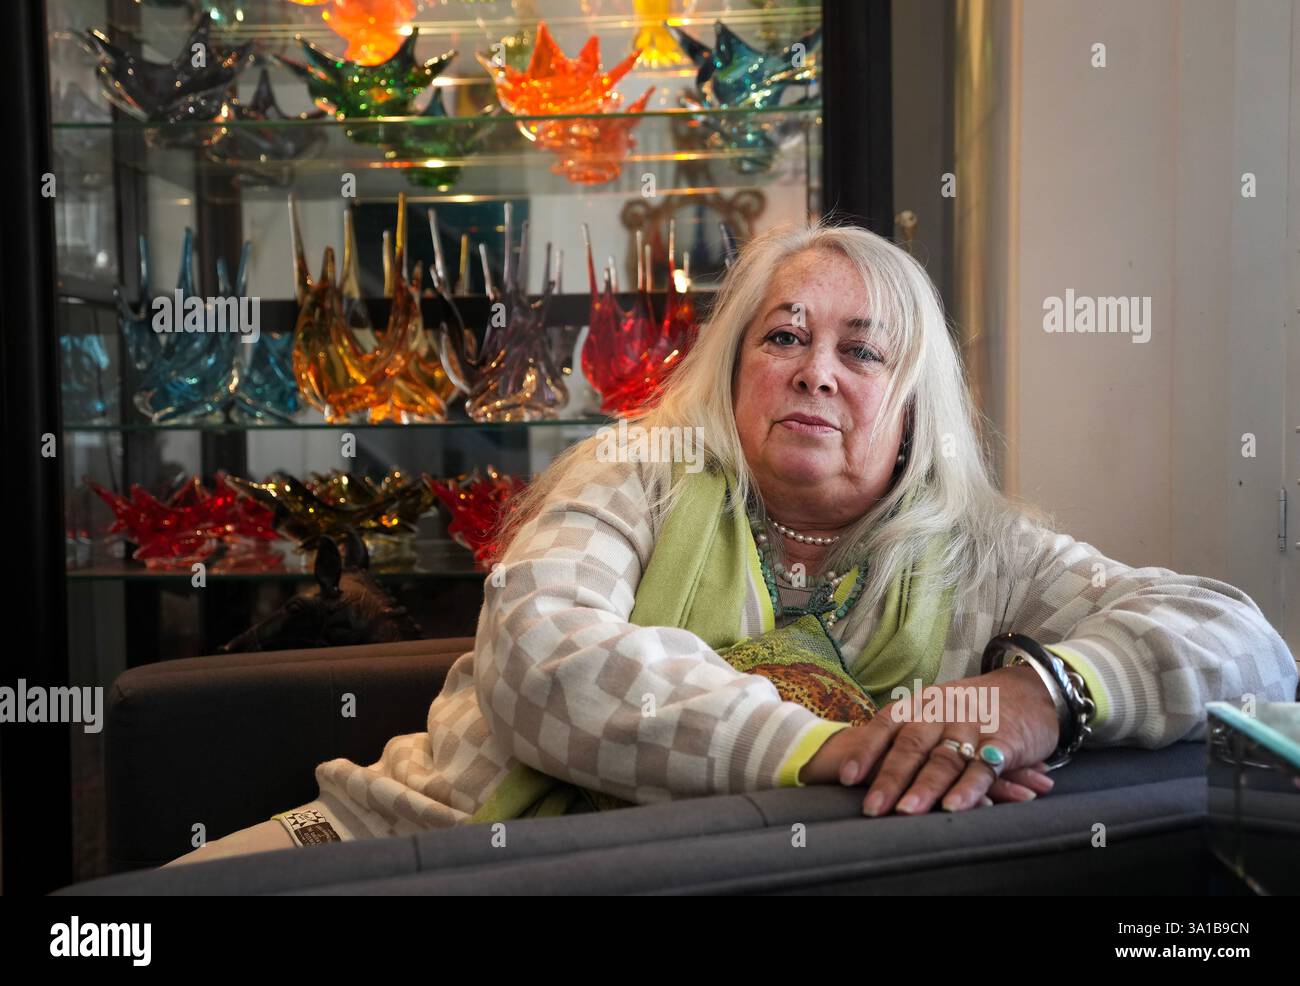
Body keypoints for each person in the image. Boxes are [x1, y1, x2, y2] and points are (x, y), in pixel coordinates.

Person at [165, 218, 1297, 867]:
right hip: (418, 837)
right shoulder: (637, 472)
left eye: (864, 351)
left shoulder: (984, 547)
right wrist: (825, 747)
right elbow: (539, 662)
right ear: (736, 367)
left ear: (915, 403)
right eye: (786, 336)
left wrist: (1041, 691)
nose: (815, 368)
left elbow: (1244, 644)